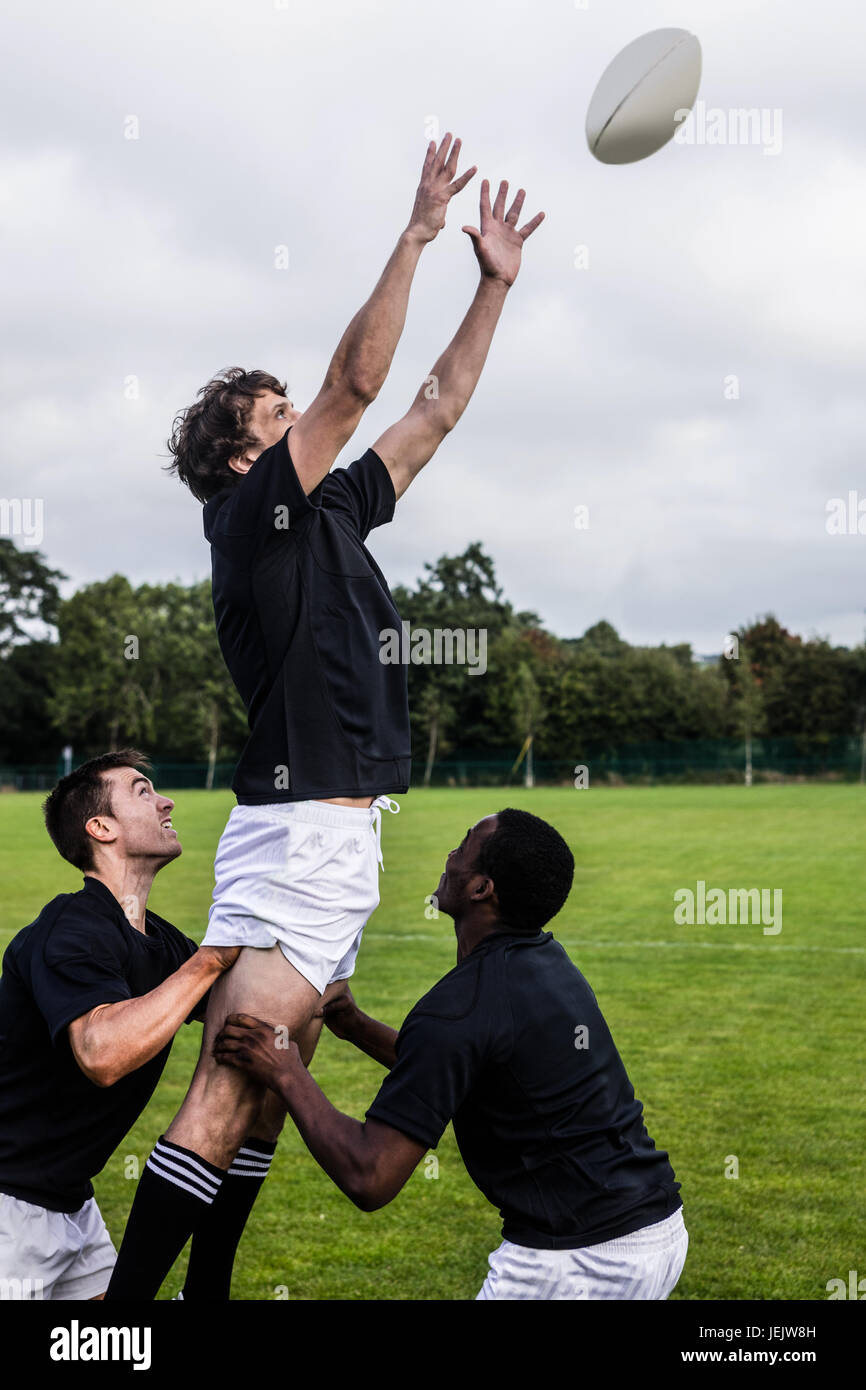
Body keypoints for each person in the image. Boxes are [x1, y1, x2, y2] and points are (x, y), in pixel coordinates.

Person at [105, 132, 545, 1300]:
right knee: (225, 1087)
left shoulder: (331, 509)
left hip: (308, 831)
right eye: (279, 411)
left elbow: (431, 408)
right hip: (307, 835)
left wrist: (490, 285)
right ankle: (108, 1331)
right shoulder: (253, 514)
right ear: (245, 453)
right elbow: (357, 387)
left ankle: (198, 1302)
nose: (307, 416)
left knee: (258, 1080)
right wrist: (414, 234)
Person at [215, 809, 688, 1301]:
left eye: (463, 848)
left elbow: (369, 1175)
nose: (449, 856)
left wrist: (285, 1071)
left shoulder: (459, 1008)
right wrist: (354, 1027)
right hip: (657, 1229)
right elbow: (461, 1067)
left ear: (482, 889)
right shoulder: (548, 961)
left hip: (575, 1261)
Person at [0, 750, 239, 1301]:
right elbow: (102, 1052)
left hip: (70, 1203)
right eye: (142, 790)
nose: (166, 800)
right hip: (11, 1210)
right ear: (101, 828)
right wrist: (208, 961)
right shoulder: (71, 929)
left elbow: (241, 1005)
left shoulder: (158, 939)